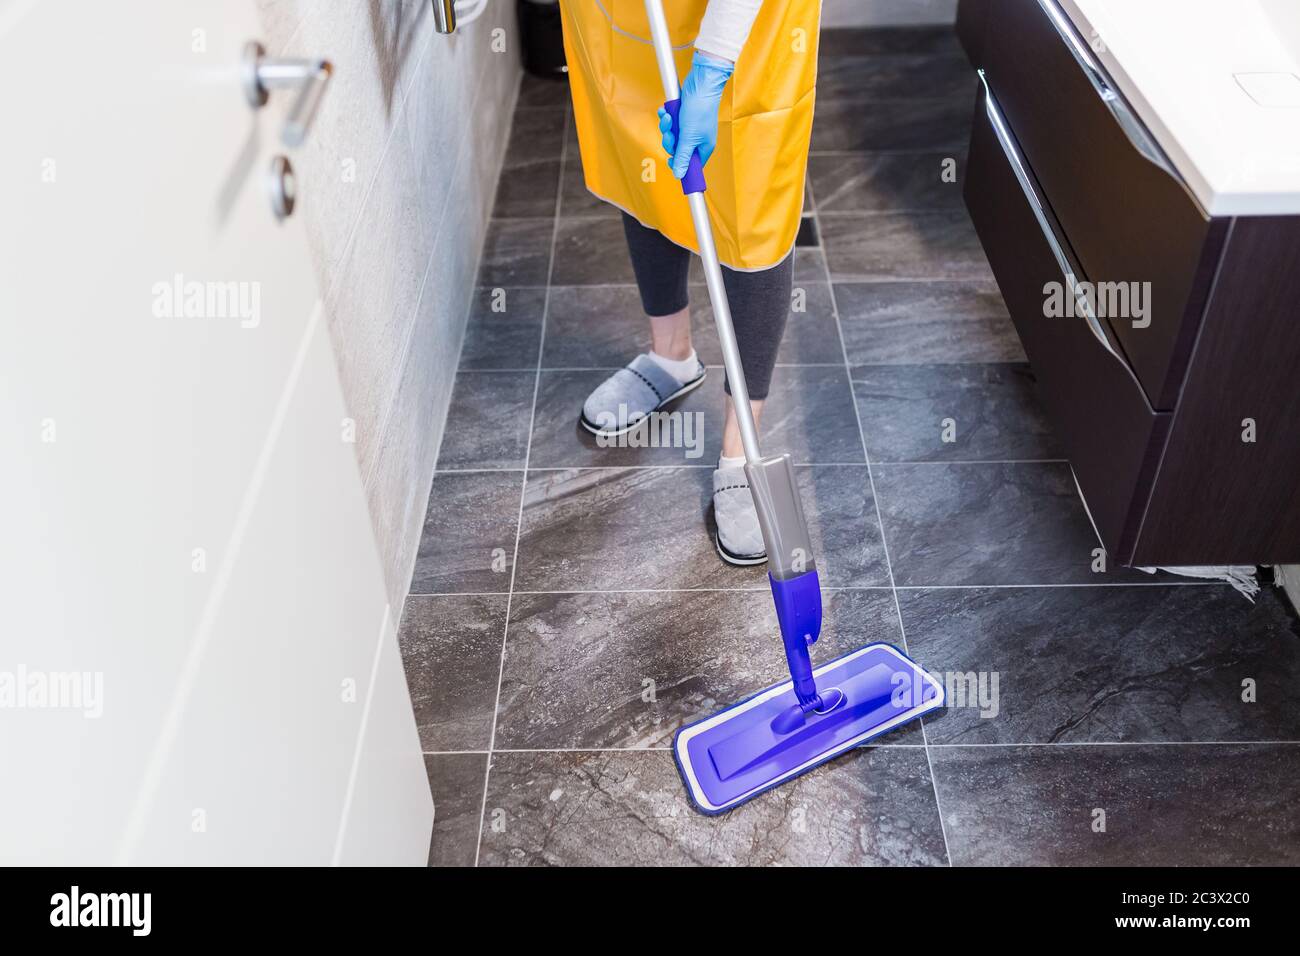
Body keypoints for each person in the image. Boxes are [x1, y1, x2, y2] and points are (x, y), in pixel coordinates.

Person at [559, 0, 820, 565]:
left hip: (749, 26)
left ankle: (739, 454)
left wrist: (713, 64)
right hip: (628, 18)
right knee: (648, 159)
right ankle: (671, 357)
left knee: (754, 212)